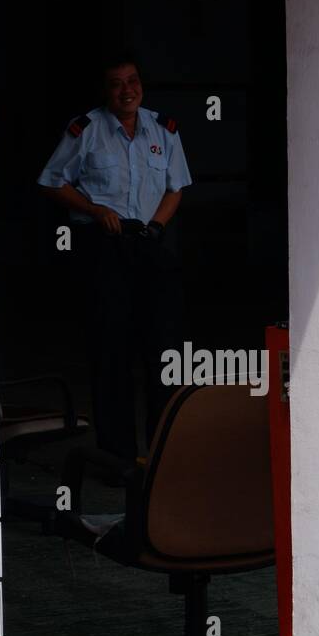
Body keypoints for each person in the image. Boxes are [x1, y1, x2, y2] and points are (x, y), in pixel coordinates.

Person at [38, 53, 192, 459]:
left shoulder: (164, 129)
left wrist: (156, 227)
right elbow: (53, 182)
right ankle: (118, 456)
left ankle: (164, 452)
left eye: (133, 81)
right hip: (105, 247)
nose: (127, 91)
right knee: (112, 353)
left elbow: (176, 187)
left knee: (163, 352)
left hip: (151, 243)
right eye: (117, 84)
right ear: (105, 91)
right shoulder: (85, 129)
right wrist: (95, 210)